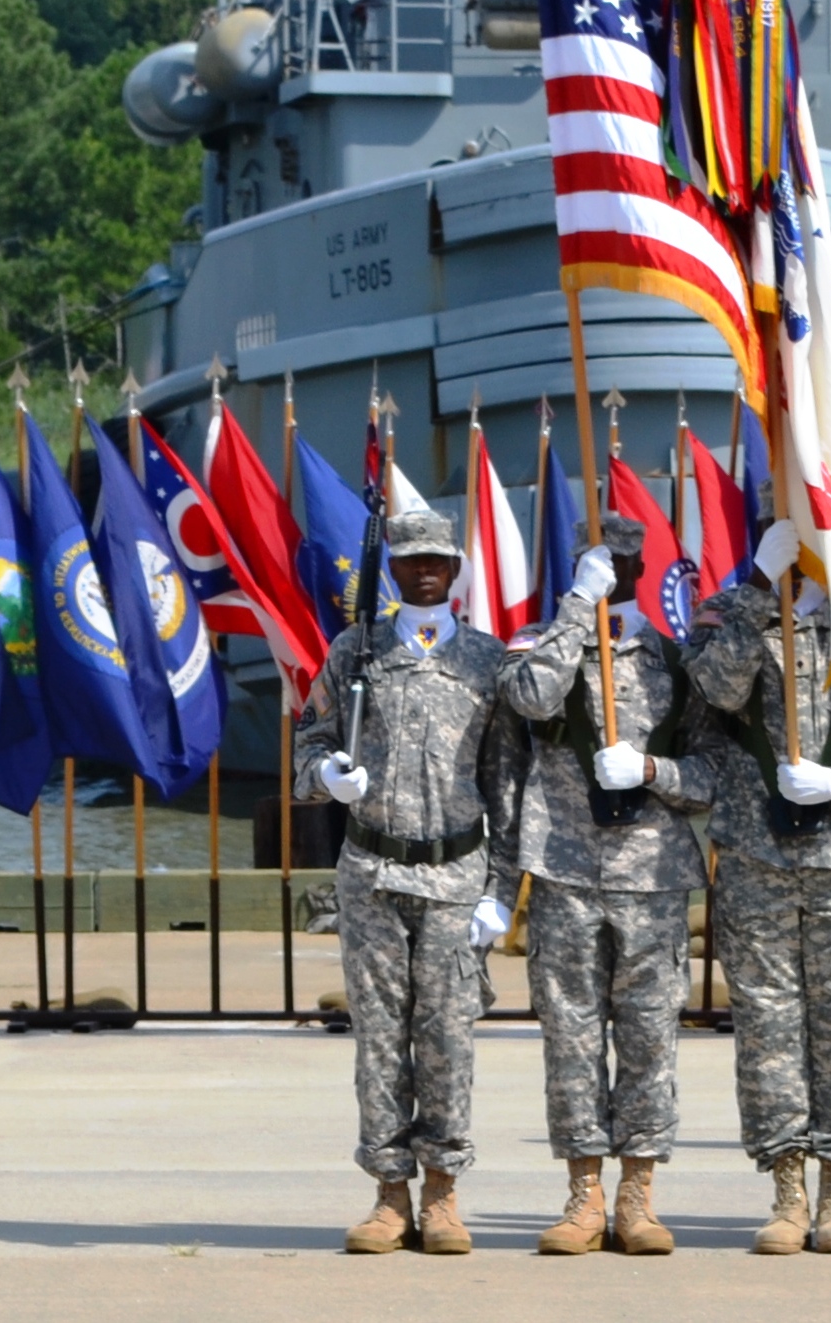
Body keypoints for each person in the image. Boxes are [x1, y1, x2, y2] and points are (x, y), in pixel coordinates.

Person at [686, 513, 831, 1255]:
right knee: (768, 1031)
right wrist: (757, 587)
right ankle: (787, 1189)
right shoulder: (727, 615)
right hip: (756, 856)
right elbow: (715, 696)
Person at [295, 504, 514, 1257]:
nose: (424, 569)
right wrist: (325, 773)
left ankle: (444, 1192)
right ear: (389, 568)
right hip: (373, 870)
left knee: (448, 1039)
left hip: (456, 873)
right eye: (410, 558)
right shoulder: (355, 652)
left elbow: (507, 783)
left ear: (455, 570)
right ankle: (389, 1193)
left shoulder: (488, 661)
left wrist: (503, 891)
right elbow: (309, 741)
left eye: (437, 559)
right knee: (380, 1041)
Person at [494, 512, 707, 1257]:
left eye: (624, 560)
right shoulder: (546, 644)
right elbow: (529, 698)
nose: (614, 569)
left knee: (650, 1039)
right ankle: (583, 1193)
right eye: (599, 560)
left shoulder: (675, 663)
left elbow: (714, 776)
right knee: (572, 1038)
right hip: (564, 867)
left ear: (643, 568)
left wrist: (655, 770)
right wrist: (577, 609)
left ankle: (637, 1196)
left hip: (650, 874)